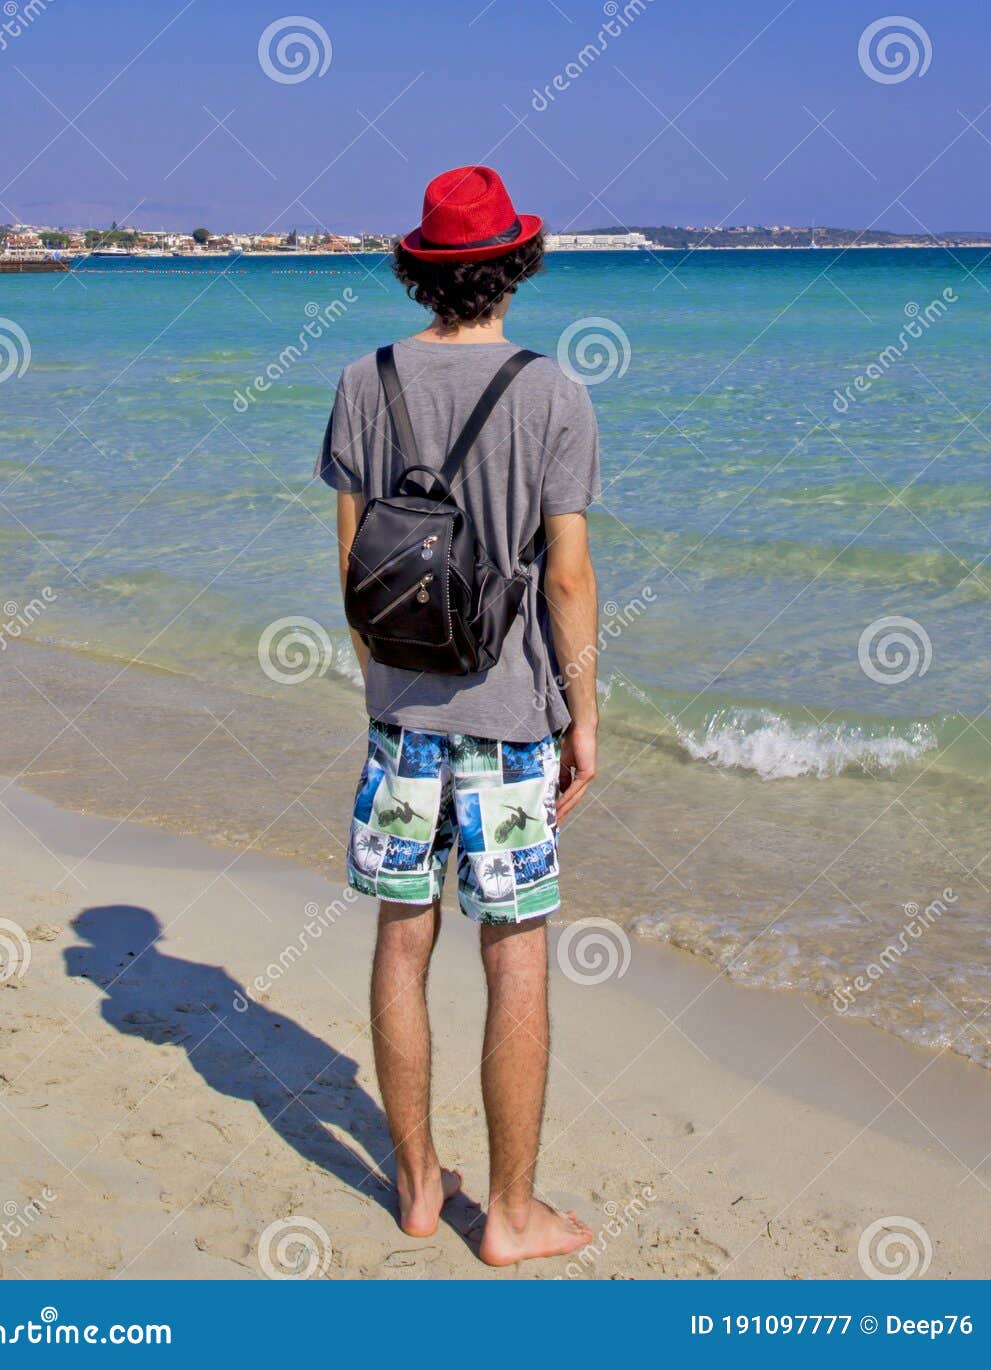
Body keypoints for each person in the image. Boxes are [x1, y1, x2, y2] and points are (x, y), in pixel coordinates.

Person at [316, 164, 600, 1267]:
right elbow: (566, 578)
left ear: (419, 271)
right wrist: (583, 715)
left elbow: (350, 565)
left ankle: (421, 1185)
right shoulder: (550, 392)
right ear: (514, 267)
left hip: (400, 717)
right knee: (515, 956)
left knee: (400, 942)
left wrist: (382, 686)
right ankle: (511, 1215)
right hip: (511, 716)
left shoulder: (361, 380)